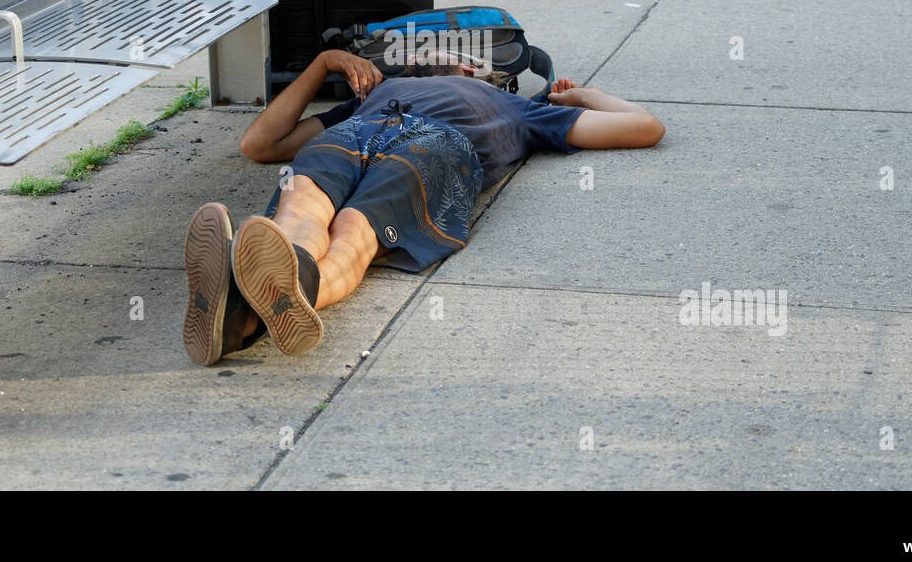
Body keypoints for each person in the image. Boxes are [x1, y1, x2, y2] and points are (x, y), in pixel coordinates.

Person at [181, 48, 664, 365]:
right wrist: (324, 63)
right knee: (300, 209)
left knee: (354, 230)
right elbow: (260, 145)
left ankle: (252, 302)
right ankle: (242, 317)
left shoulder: (518, 107)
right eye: (418, 50)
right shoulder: (370, 98)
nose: (427, 51)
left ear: (474, 71)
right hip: (355, 133)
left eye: (450, 49)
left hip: (436, 148)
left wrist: (581, 95)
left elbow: (645, 127)